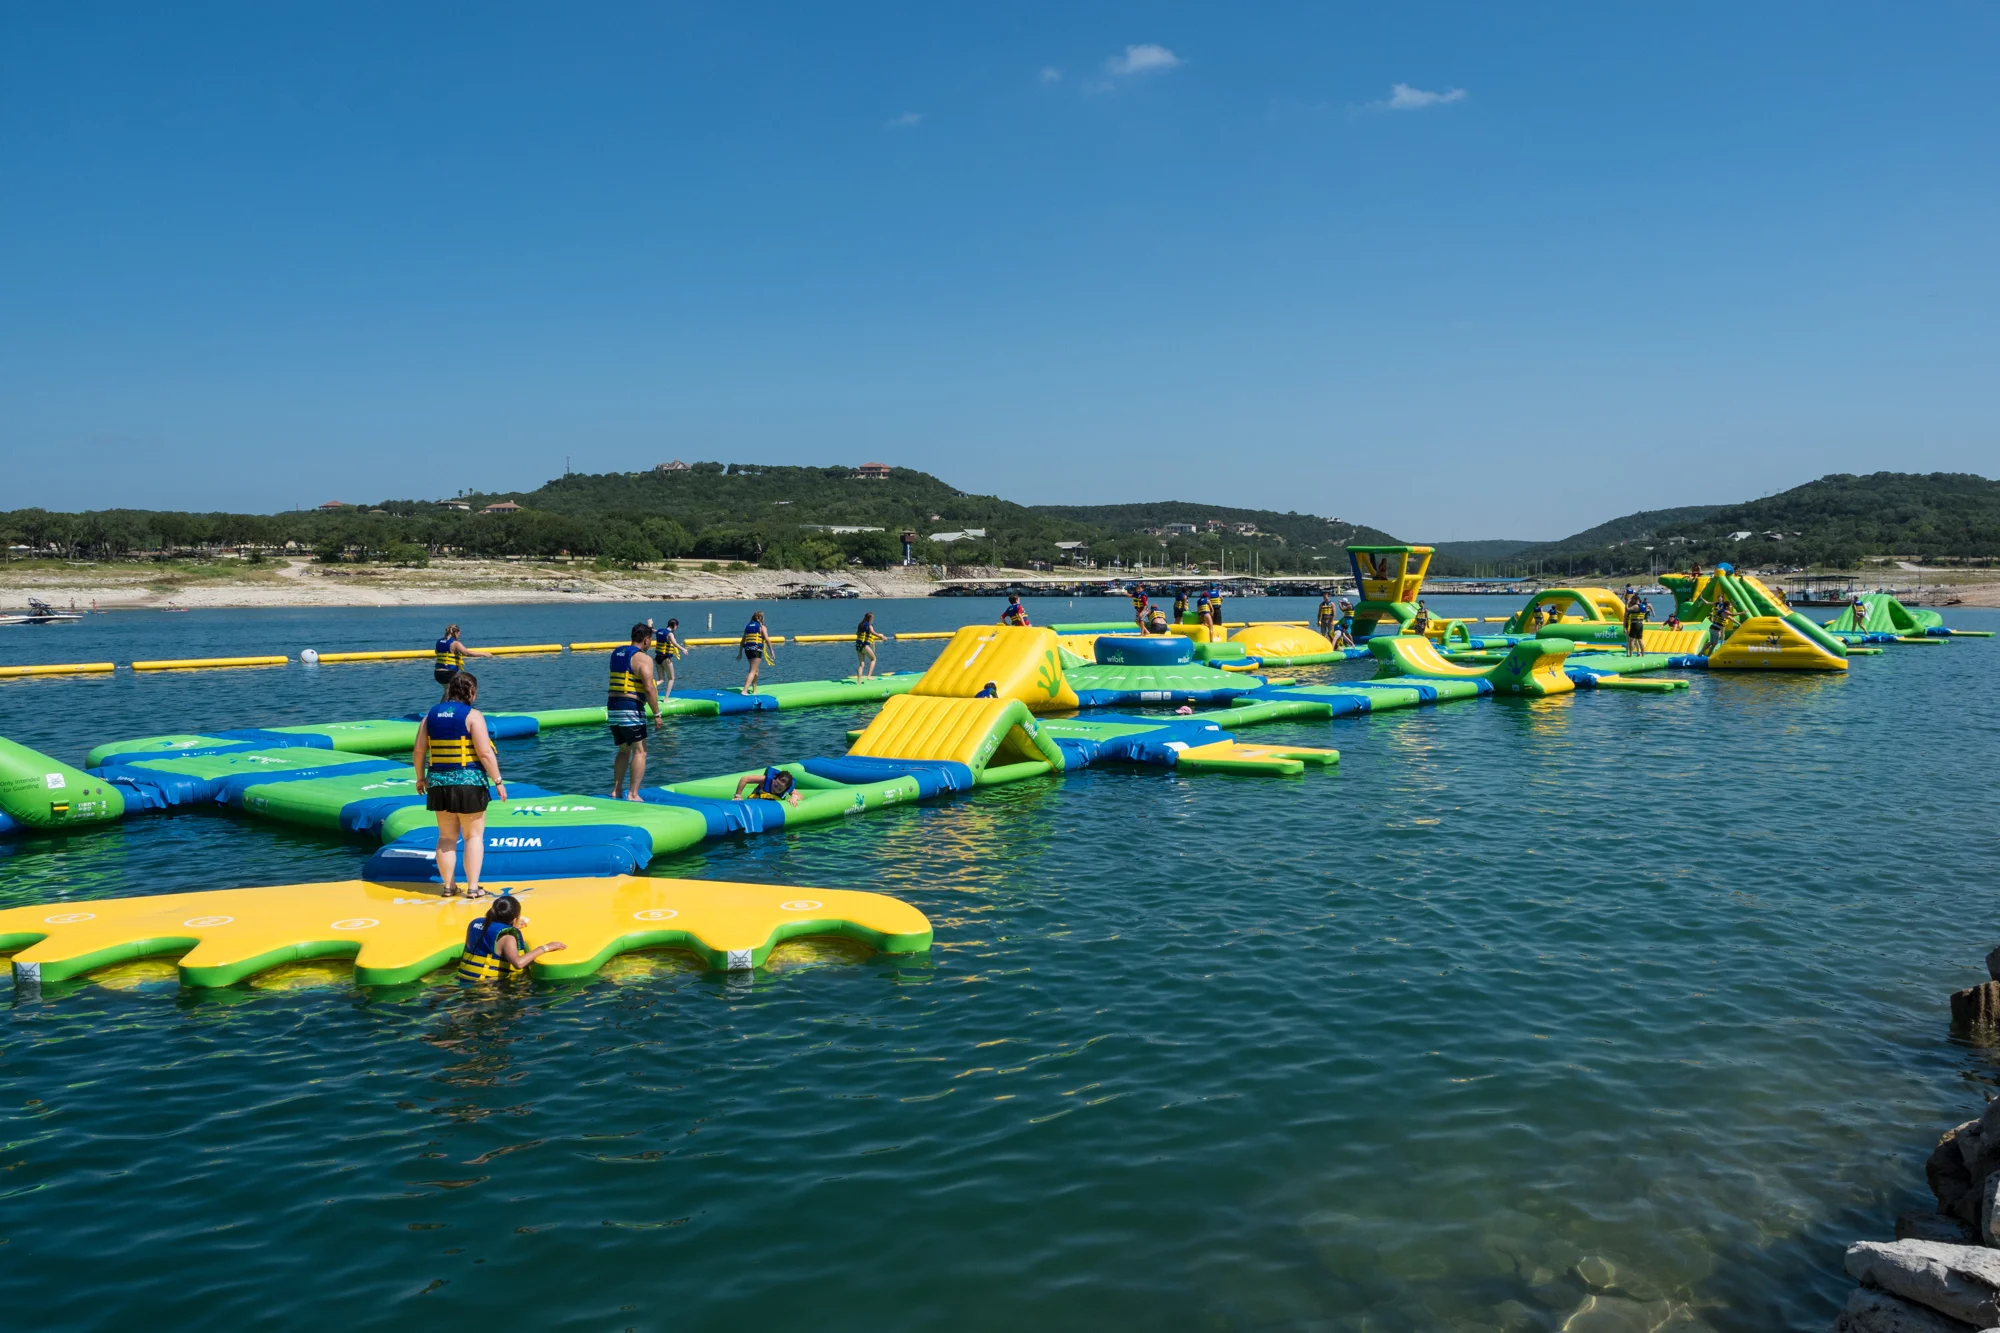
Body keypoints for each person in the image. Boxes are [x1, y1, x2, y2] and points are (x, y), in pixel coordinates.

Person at [413, 672, 507, 898]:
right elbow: (484, 753)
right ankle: (473, 888)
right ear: (471, 692)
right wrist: (498, 781)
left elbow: (418, 750)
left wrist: (420, 778)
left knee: (446, 837)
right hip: (469, 783)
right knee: (473, 836)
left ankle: (448, 886)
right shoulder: (473, 716)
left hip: (437, 783)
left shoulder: (430, 716)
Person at [609, 624, 663, 801]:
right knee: (640, 751)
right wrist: (657, 714)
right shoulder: (643, 658)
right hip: (631, 707)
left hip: (613, 707)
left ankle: (616, 791)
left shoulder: (616, 653)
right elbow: (648, 688)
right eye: (650, 641)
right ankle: (633, 794)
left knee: (624, 750)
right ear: (646, 640)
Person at [457, 894, 566, 982]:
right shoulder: (507, 938)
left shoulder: (474, 924)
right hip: (489, 988)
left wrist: (510, 926)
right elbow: (518, 963)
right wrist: (545, 947)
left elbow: (489, 935)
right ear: (514, 919)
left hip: (464, 979)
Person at [432, 623, 492, 697]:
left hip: (437, 673)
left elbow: (436, 652)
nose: (459, 635)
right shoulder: (456, 643)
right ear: (456, 632)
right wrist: (484, 654)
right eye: (459, 633)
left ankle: (442, 708)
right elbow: (466, 653)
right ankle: (456, 707)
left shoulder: (439, 642)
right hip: (448, 673)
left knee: (448, 692)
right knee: (460, 692)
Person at [649, 617, 689, 700]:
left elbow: (652, 630)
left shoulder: (659, 631)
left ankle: (652, 684)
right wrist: (683, 649)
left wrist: (649, 624)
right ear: (674, 625)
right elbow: (674, 643)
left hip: (657, 658)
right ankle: (666, 699)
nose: (676, 628)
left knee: (661, 679)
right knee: (671, 678)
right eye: (676, 626)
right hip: (666, 659)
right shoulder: (670, 634)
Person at [738, 610, 774, 694]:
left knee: (756, 670)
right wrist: (771, 650)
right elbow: (767, 639)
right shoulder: (762, 627)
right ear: (760, 618)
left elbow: (742, 641)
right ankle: (744, 690)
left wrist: (740, 653)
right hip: (756, 650)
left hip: (748, 650)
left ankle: (754, 690)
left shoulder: (748, 626)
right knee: (753, 671)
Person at [733, 766, 802, 807]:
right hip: (753, 802)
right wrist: (738, 796)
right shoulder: (764, 780)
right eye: (775, 785)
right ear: (774, 779)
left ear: (785, 788)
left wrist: (794, 796)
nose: (776, 789)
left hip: (771, 807)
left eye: (780, 789)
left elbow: (800, 796)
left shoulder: (787, 789)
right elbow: (745, 779)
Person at [855, 612, 886, 679]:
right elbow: (872, 632)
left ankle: (859, 681)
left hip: (858, 646)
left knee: (861, 664)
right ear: (870, 618)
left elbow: (857, 633)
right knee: (873, 659)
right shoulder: (869, 625)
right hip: (864, 646)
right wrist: (881, 637)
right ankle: (869, 676)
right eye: (872, 618)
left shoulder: (860, 625)